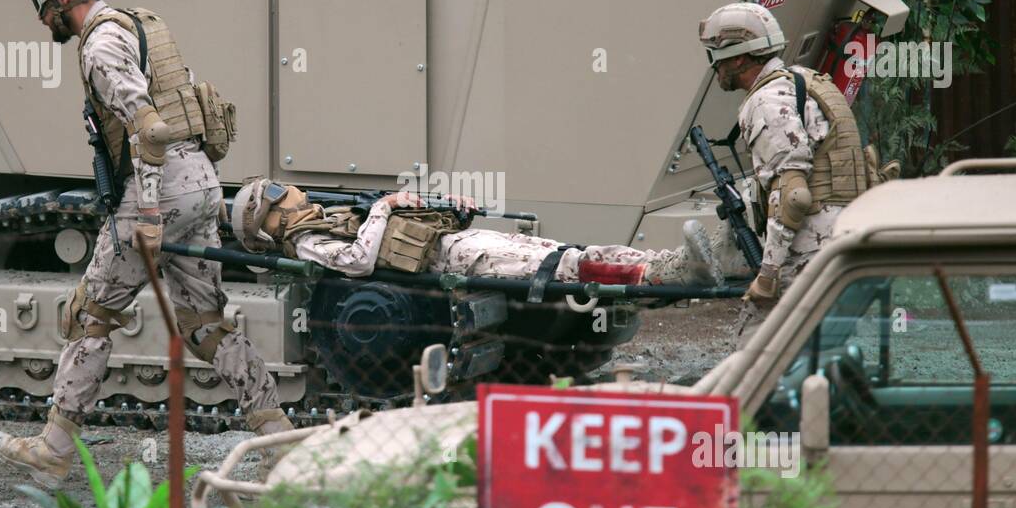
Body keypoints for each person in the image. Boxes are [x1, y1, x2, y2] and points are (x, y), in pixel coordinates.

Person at [0, 0, 291, 488]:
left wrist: (147, 211)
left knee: (90, 315)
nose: (40, 20)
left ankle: (54, 451)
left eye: (41, 6)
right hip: (200, 183)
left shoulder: (100, 44)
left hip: (158, 193)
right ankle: (279, 440)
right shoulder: (141, 26)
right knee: (204, 326)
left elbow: (148, 129)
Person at [697, 1, 895, 335]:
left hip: (813, 250)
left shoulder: (766, 101)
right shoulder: (806, 80)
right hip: (851, 242)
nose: (714, 67)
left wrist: (769, 273)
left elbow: (793, 196)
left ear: (739, 56)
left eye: (715, 55)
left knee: (755, 350)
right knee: (819, 345)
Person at [229, 178, 722, 287]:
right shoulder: (308, 243)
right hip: (454, 263)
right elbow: (359, 261)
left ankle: (667, 262)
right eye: (277, 192)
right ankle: (660, 277)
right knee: (559, 268)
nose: (290, 191)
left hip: (457, 245)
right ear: (266, 220)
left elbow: (400, 230)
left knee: (564, 251)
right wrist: (384, 206)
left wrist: (451, 212)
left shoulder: (326, 218)